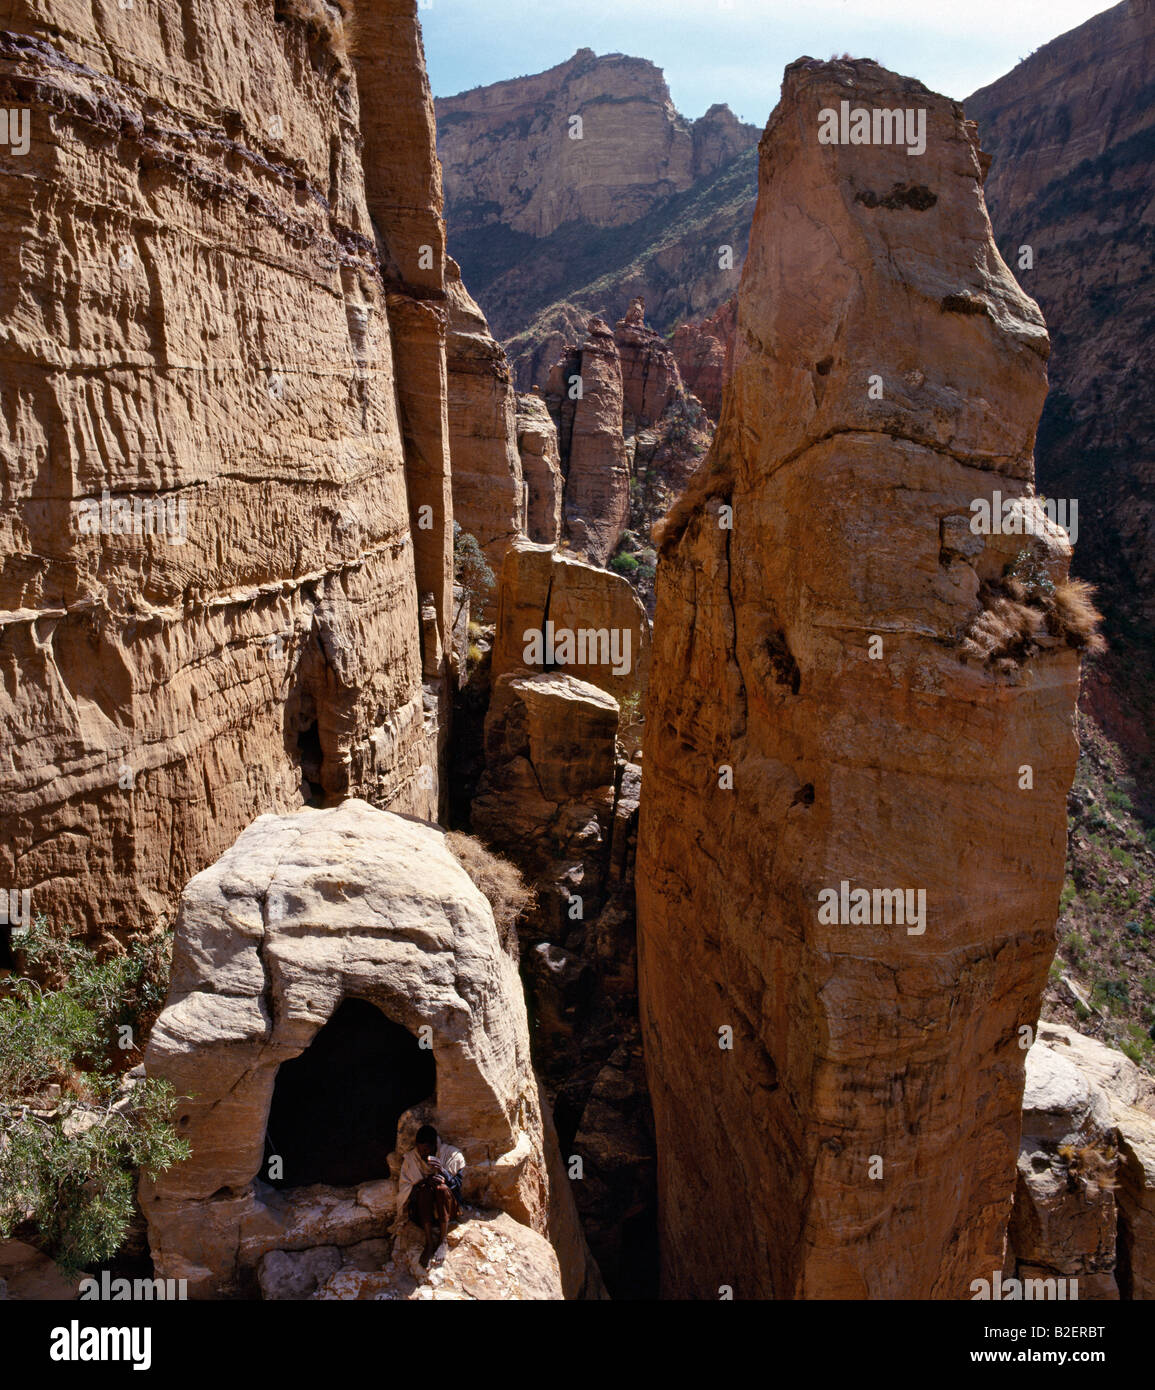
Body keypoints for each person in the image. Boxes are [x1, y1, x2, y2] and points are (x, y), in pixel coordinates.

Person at [397, 1125, 465, 1266]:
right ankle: (429, 1242)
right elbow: (405, 1191)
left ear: (435, 1145)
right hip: (422, 1214)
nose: (422, 1154)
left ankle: (443, 1240)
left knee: (441, 1188)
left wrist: (442, 1172)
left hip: (447, 1211)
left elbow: (458, 1187)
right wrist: (424, 1182)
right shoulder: (411, 1160)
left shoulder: (451, 1155)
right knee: (425, 1190)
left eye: (426, 1150)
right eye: (420, 1149)